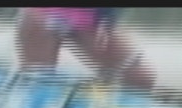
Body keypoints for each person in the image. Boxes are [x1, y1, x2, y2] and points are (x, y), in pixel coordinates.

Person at [15, 7, 157, 92]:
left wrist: (108, 18)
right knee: (38, 83)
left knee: (140, 78)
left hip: (90, 15)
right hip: (43, 12)